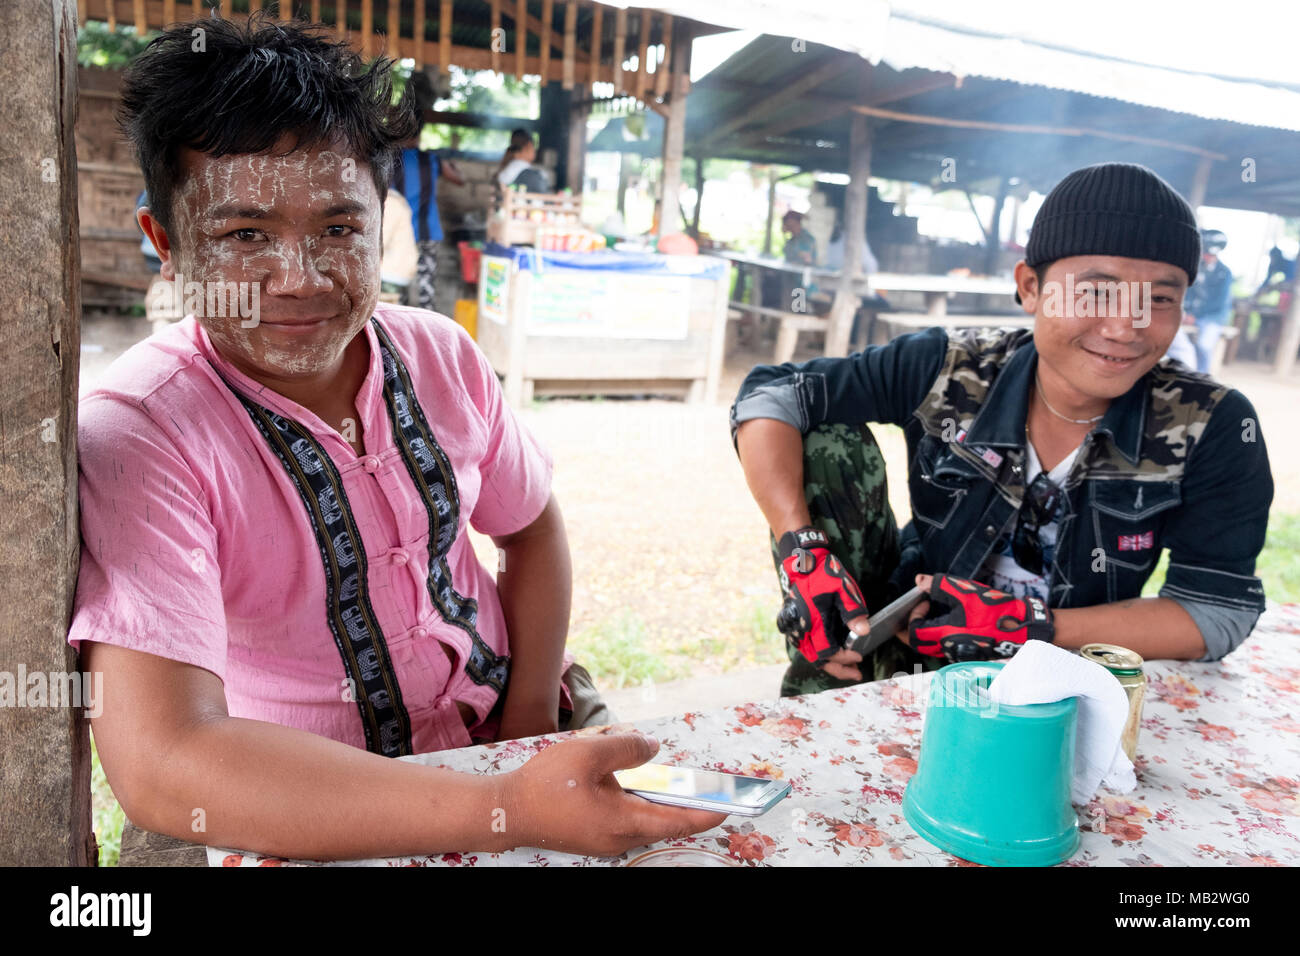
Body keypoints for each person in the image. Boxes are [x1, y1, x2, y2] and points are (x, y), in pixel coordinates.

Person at [70, 16, 722, 862]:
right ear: (168, 244)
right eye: (244, 237)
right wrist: (505, 806)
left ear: (382, 222)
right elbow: (164, 763)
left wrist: (527, 723)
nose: (299, 279)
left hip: (516, 718)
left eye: (339, 229)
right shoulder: (143, 433)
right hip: (310, 796)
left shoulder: (440, 352)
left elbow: (530, 528)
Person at [731, 162, 1272, 697]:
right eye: (1097, 291)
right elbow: (772, 395)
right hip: (910, 639)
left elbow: (1216, 611)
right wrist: (801, 547)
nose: (1124, 327)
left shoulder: (1212, 423)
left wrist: (1031, 626)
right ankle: (831, 666)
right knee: (828, 442)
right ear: (1030, 287)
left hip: (1067, 675)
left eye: (1159, 298)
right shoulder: (948, 366)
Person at [390, 137, 464, 312]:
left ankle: (396, 329)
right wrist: (451, 162)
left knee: (398, 287)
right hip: (428, 232)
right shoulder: (432, 159)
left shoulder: (390, 158)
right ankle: (426, 329)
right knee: (426, 289)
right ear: (419, 136)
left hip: (399, 235)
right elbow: (460, 179)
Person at [1182, 228, 1234, 373]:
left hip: (1213, 317)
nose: (1208, 257)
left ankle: (1203, 375)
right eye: (1206, 253)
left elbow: (1219, 302)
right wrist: (1186, 312)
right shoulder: (1195, 268)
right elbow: (1188, 292)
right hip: (1191, 314)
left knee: (1204, 345)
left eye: (1211, 254)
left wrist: (1195, 315)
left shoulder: (1225, 273)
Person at [495, 128, 550, 200]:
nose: (534, 152)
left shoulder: (506, 168)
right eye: (533, 148)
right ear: (528, 146)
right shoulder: (533, 176)